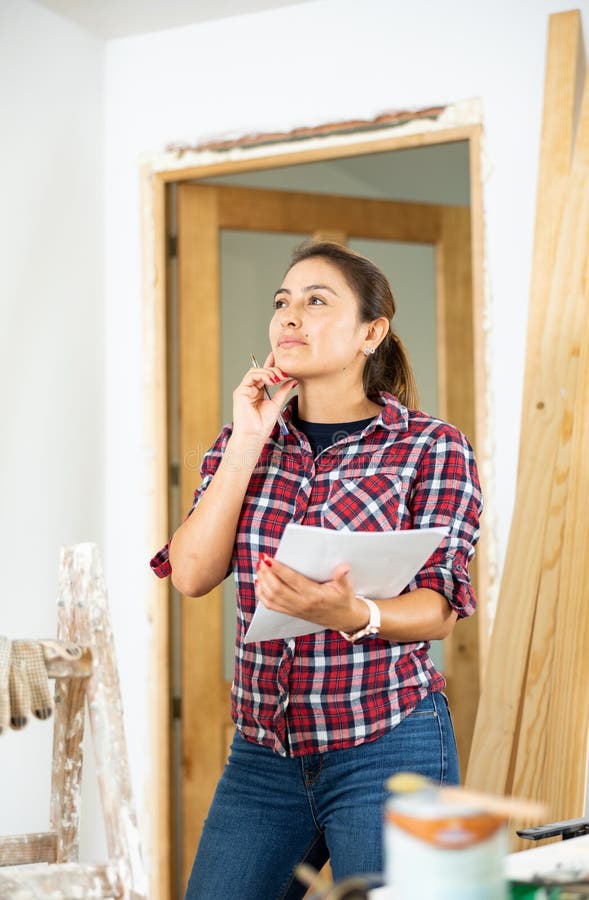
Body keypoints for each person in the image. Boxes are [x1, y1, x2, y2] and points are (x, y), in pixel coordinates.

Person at [150, 241, 483, 899]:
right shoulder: (244, 441)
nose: (289, 317)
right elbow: (189, 573)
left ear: (371, 332)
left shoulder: (429, 446)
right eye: (281, 302)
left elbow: (440, 604)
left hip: (387, 744)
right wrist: (247, 438)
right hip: (262, 755)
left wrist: (354, 616)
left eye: (314, 300)